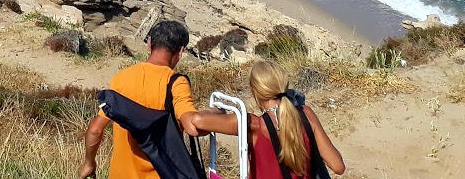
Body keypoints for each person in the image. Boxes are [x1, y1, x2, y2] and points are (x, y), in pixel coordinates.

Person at [80, 20, 240, 179]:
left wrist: (89, 163)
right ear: (181, 51)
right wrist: (216, 112)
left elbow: (95, 130)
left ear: (149, 44)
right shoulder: (176, 83)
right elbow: (193, 127)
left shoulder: (120, 79)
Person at [247, 59, 345, 177]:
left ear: (255, 91)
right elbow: (338, 166)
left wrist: (219, 106)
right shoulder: (305, 113)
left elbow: (217, 121)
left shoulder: (253, 124)